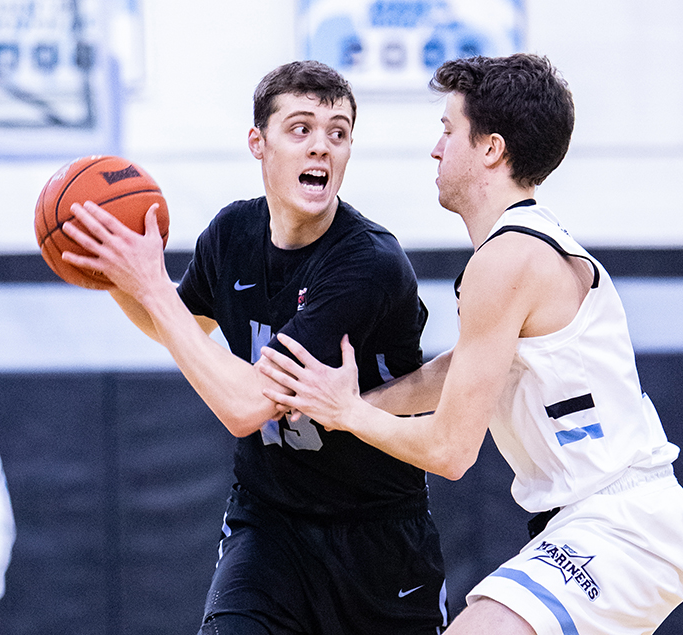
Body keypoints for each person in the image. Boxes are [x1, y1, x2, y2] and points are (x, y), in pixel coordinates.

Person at [257, 54, 683, 635]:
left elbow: (450, 452)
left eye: (448, 130)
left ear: (489, 149)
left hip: (619, 525)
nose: (436, 149)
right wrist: (351, 402)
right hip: (600, 525)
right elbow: (460, 371)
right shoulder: (524, 247)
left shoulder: (506, 260)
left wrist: (348, 412)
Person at [60, 60, 448, 634]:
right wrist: (115, 273)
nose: (321, 147)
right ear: (258, 144)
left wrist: (149, 284)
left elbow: (247, 408)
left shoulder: (367, 262)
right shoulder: (231, 234)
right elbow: (175, 322)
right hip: (269, 526)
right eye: (301, 129)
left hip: (378, 536)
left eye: (337, 133)